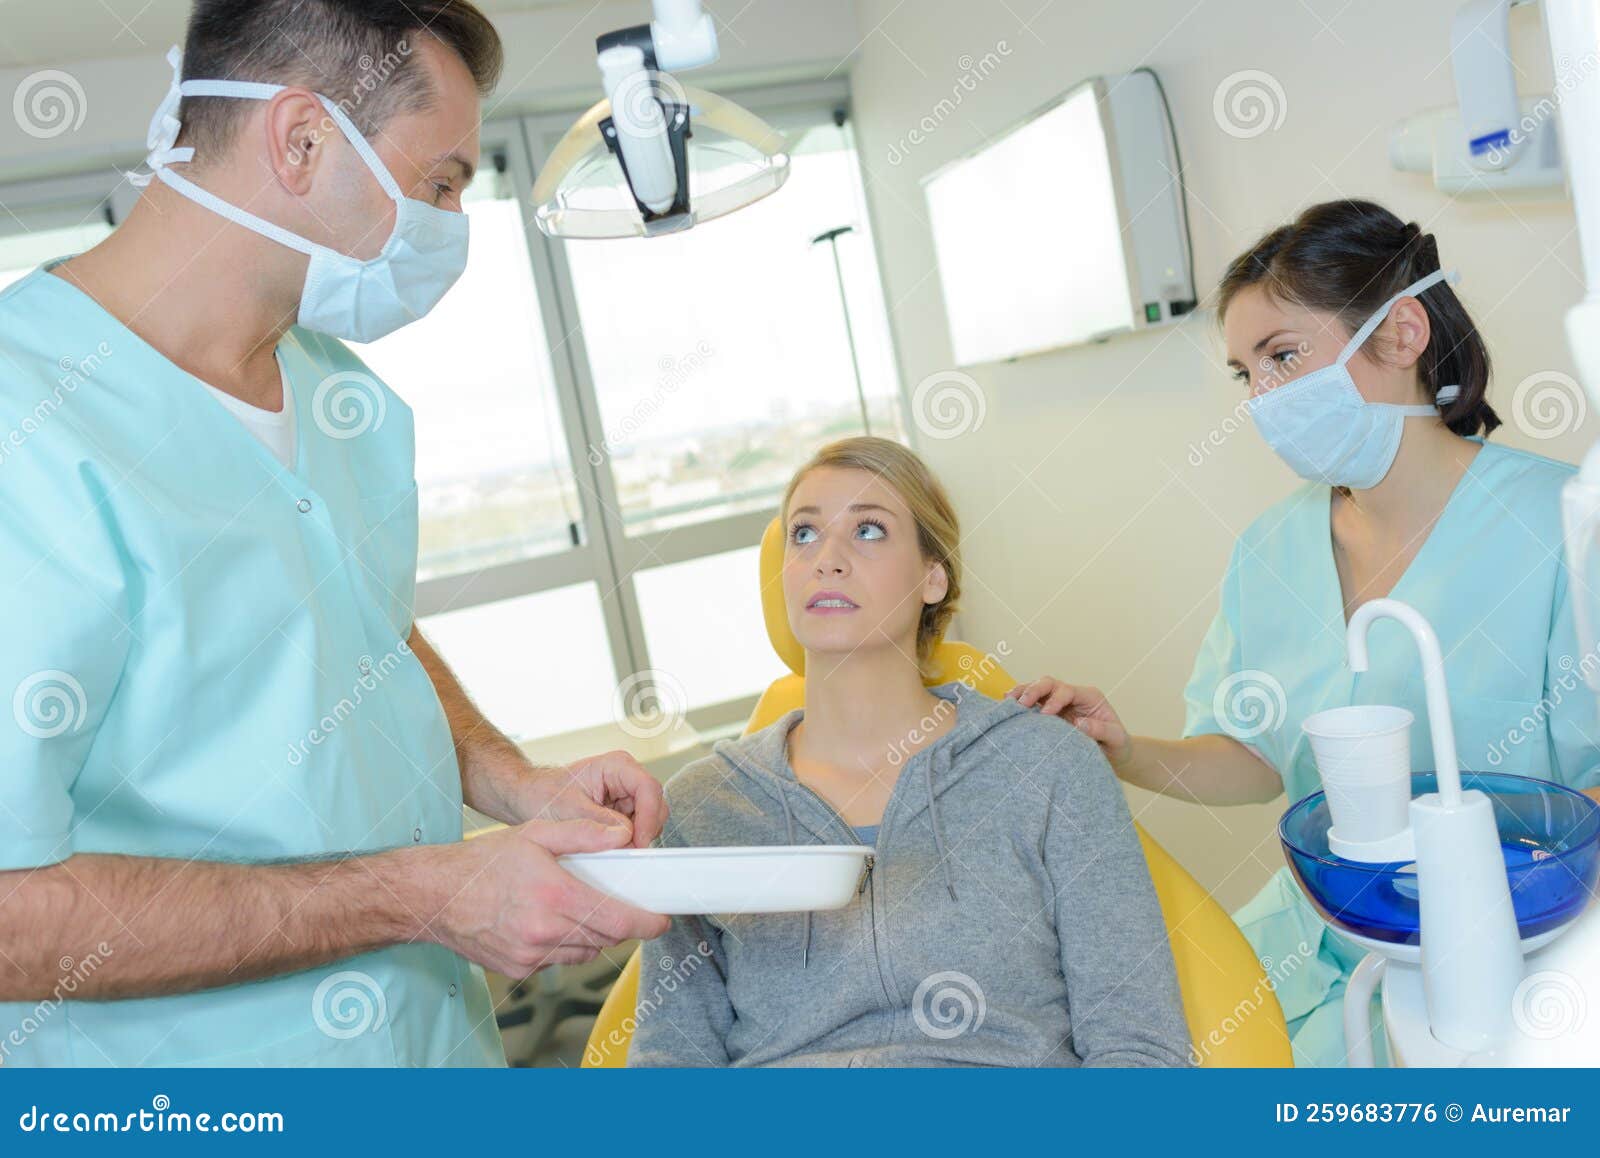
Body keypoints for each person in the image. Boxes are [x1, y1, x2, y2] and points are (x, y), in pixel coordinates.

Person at [0, 0, 669, 1068]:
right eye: (441, 182)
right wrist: (424, 894)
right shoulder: (23, 429)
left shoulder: (334, 394)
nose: (452, 220)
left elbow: (361, 630)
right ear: (303, 139)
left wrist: (509, 782)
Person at [1010, 199, 1600, 1067]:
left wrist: (1484, 896)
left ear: (1402, 335)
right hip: (1316, 943)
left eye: (1285, 356)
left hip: (1529, 950)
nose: (1264, 399)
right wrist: (1123, 751)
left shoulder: (1563, 526)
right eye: (1247, 374)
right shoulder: (1273, 549)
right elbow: (1257, 757)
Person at [627, 437, 1191, 1067]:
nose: (828, 559)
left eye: (868, 530)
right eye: (804, 535)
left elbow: (1140, 1046)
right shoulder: (703, 808)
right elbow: (668, 1066)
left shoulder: (1046, 767)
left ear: (933, 576)